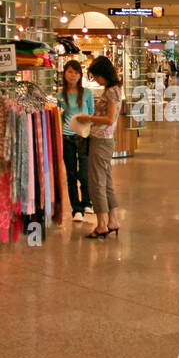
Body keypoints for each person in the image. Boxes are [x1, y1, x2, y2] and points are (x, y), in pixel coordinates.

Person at [72, 55, 122, 239]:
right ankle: (113, 220)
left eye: (97, 76)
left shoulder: (111, 92)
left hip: (101, 141)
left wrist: (89, 119)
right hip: (105, 140)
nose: (96, 80)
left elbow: (109, 119)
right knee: (106, 181)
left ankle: (102, 224)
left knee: (96, 182)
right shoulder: (114, 90)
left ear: (104, 74)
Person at [59, 59, 94, 221]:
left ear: (80, 75)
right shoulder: (60, 96)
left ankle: (87, 202)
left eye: (76, 72)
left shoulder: (87, 93)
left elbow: (92, 115)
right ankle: (76, 209)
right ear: (64, 74)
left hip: (84, 136)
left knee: (85, 173)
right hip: (67, 137)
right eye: (70, 72)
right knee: (71, 174)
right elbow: (59, 118)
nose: (73, 75)